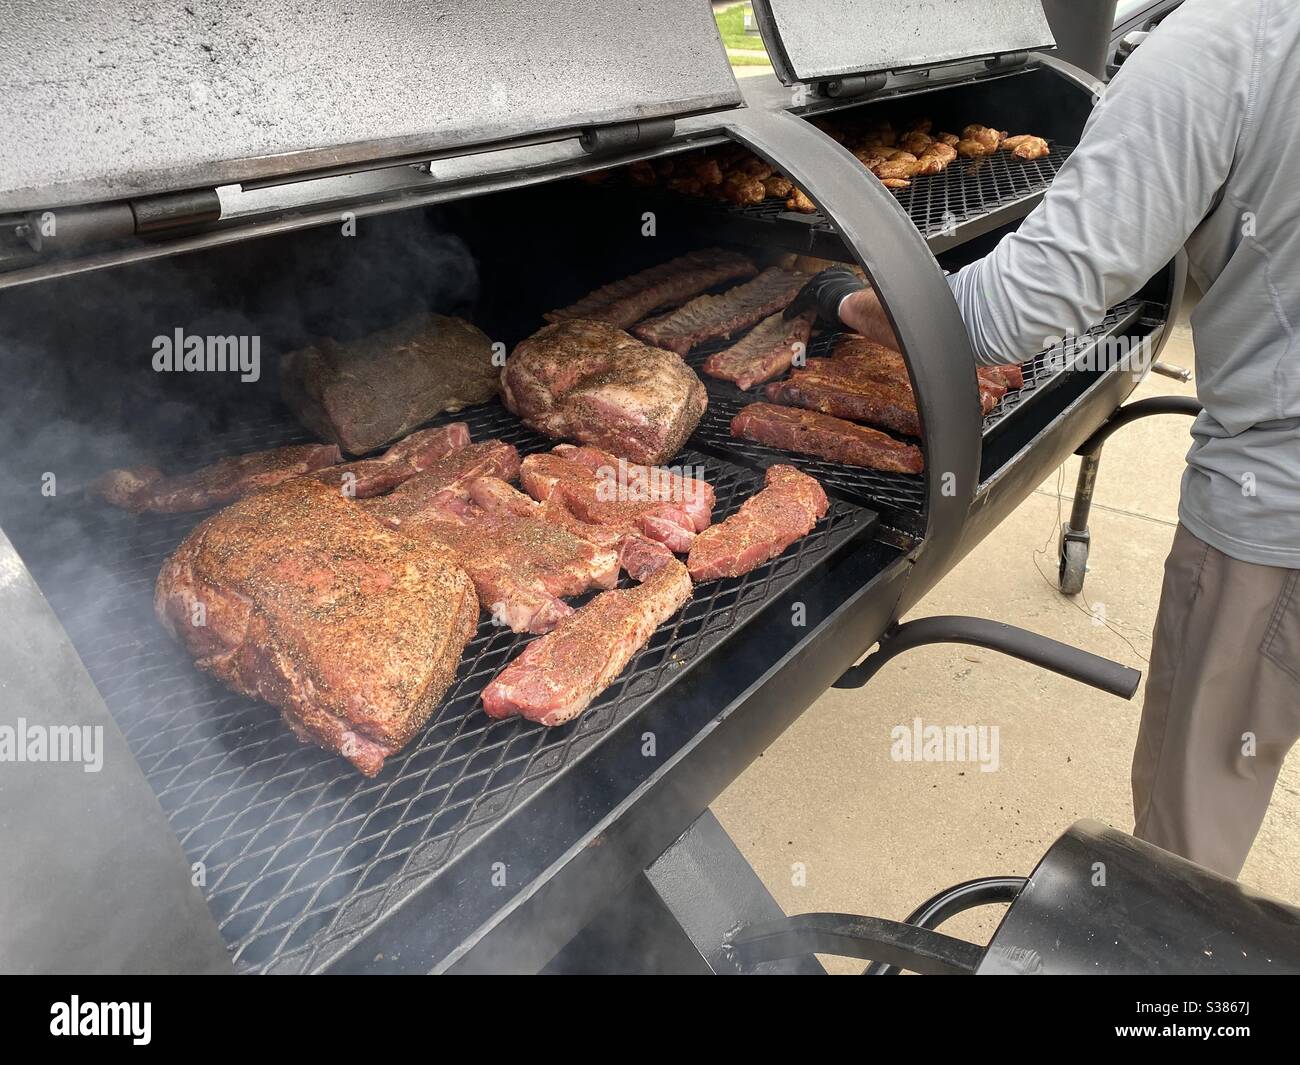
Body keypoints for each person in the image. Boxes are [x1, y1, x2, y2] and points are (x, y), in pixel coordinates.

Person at [828, 0, 1299, 879]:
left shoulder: (1235, 34)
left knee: (1185, 862)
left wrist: (841, 304)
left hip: (1278, 513)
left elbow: (1016, 310)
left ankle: (1185, 1016)